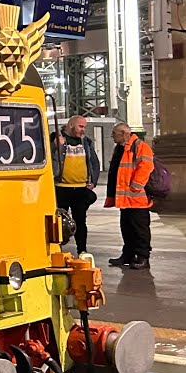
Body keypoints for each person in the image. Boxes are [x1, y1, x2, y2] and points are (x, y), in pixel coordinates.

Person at [105, 123, 155, 270]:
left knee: (140, 228)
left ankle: (142, 257)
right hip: (126, 198)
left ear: (124, 133)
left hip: (137, 197)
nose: (112, 136)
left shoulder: (140, 146)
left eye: (114, 133)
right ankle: (128, 254)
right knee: (126, 227)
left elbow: (146, 166)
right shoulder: (121, 148)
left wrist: (136, 185)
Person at [51, 115, 100, 255]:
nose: (83, 130)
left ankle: (82, 250)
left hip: (80, 188)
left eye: (84, 127)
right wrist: (55, 145)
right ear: (71, 125)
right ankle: (57, 250)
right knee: (58, 223)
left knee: (80, 222)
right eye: (81, 126)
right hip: (61, 188)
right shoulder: (57, 139)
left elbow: (94, 162)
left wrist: (93, 181)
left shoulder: (86, 142)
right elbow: (47, 156)